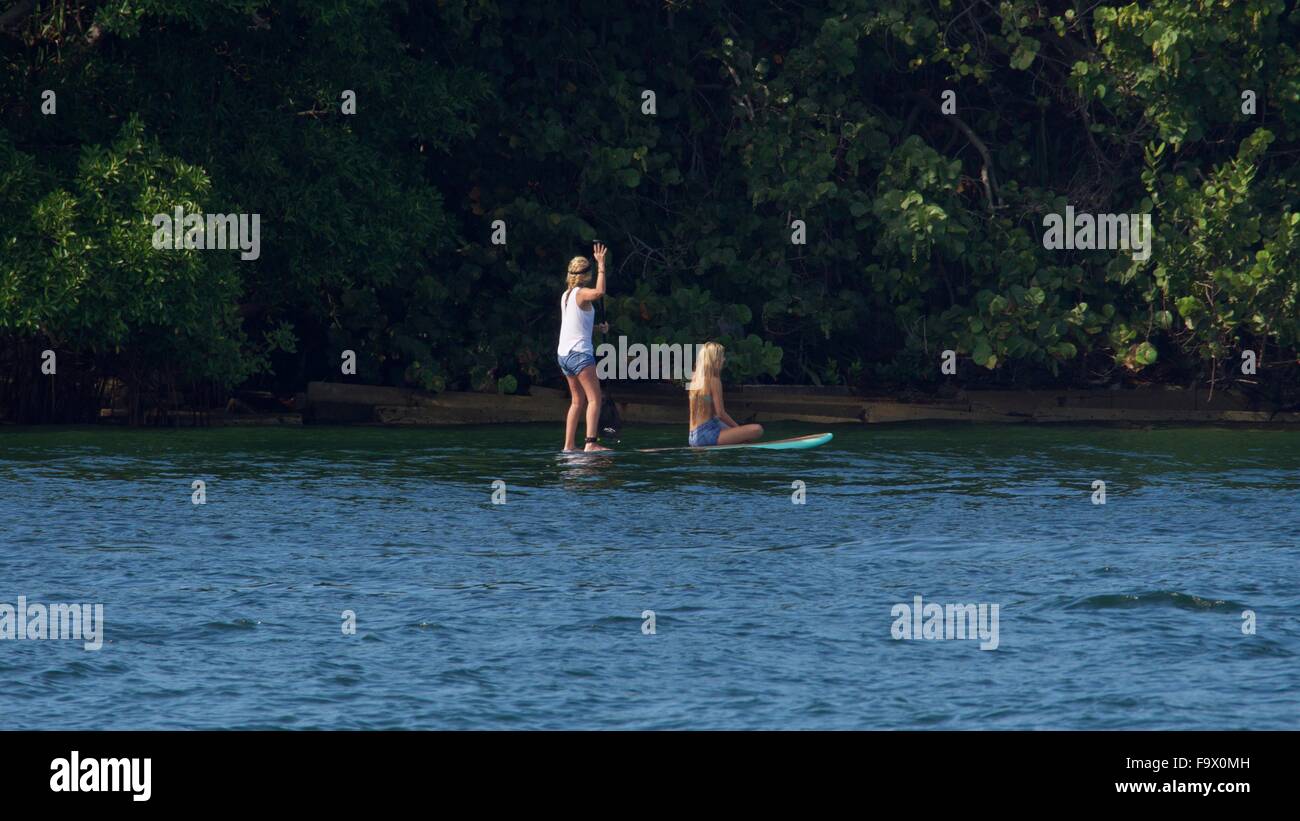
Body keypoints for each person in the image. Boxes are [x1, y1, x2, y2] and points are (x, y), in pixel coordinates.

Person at [557, 242, 611, 451]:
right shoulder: (580, 293)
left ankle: (569, 446)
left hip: (564, 355)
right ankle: (591, 444)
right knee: (594, 399)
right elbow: (599, 292)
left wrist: (599, 329)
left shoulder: (566, 295)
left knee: (577, 401)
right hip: (579, 354)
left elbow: (576, 324)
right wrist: (602, 265)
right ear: (586, 274)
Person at [686, 342, 763, 447]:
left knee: (740, 436)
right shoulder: (714, 380)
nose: (724, 359)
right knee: (757, 429)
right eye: (722, 357)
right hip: (708, 434)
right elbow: (720, 413)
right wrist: (738, 429)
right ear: (714, 360)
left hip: (693, 436)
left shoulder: (694, 379)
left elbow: (712, 415)